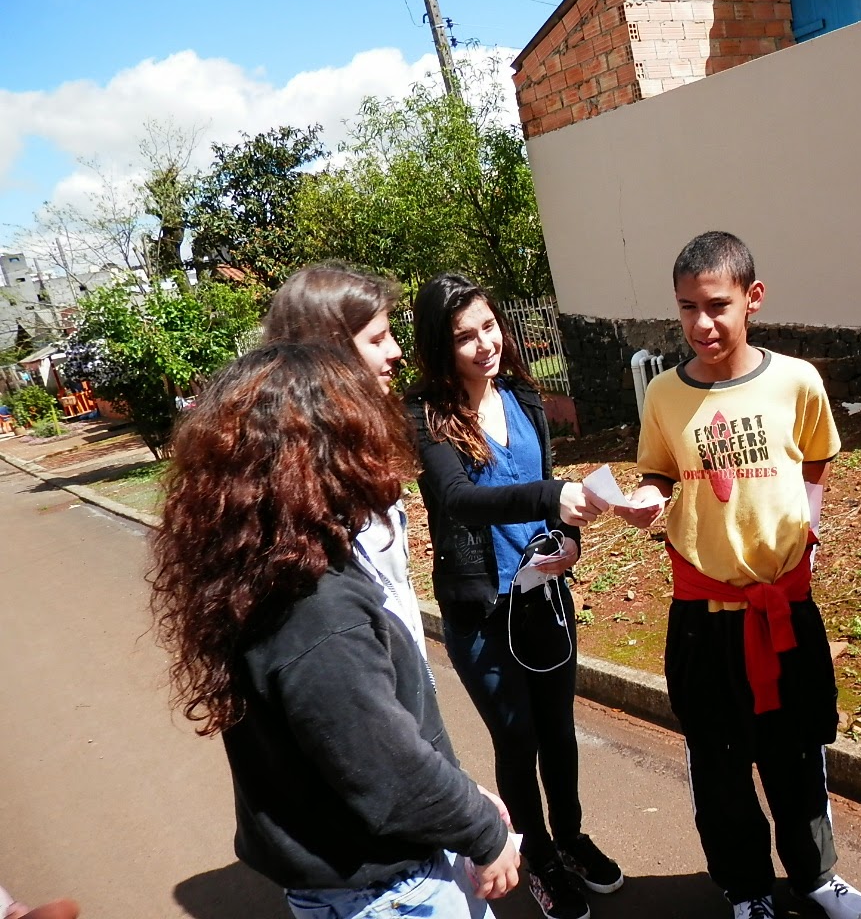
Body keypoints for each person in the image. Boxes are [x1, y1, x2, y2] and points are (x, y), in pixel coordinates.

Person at [150, 343, 521, 919]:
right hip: (391, 893)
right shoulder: (315, 610)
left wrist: (463, 796)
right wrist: (481, 831)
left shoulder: (263, 570)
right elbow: (387, 770)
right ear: (326, 455)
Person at [616, 231, 861, 919]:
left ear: (753, 300)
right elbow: (658, 469)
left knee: (796, 753)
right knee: (719, 761)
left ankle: (816, 877)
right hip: (703, 615)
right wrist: (648, 496)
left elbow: (818, 458)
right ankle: (747, 890)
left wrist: (808, 530)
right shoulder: (667, 396)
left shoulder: (796, 381)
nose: (701, 324)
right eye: (686, 309)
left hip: (784, 609)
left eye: (717, 305)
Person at [406, 273, 619, 919]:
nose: (484, 344)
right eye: (465, 336)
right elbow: (460, 502)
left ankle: (572, 836)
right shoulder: (424, 417)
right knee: (518, 737)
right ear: (440, 347)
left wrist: (569, 542)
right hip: (482, 609)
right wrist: (553, 497)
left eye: (489, 327)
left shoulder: (525, 398)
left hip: (543, 598)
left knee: (559, 732)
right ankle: (540, 858)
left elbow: (545, 487)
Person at [262, 262, 431, 665]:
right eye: (377, 339)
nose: (396, 351)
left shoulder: (356, 460)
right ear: (329, 354)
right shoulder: (302, 494)